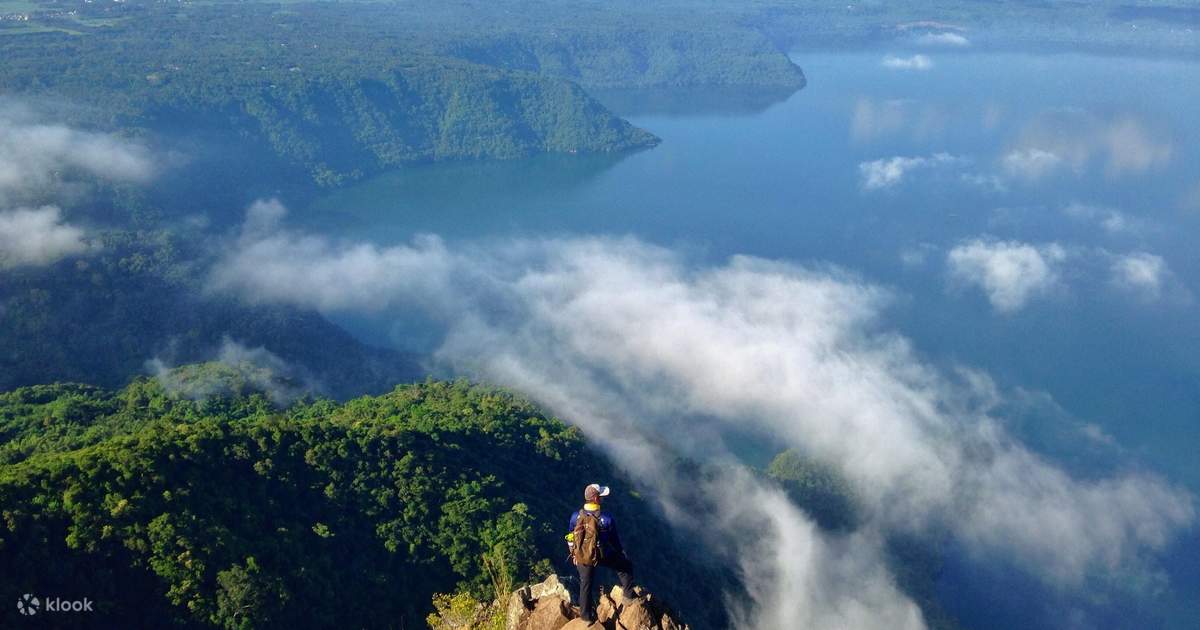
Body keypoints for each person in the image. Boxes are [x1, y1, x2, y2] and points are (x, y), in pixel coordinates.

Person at [566, 483, 636, 623]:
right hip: (601, 555)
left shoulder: (575, 516)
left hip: (582, 557)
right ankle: (628, 597)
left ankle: (586, 617)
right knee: (625, 565)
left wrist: (574, 554)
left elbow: (570, 536)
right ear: (596, 499)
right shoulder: (606, 519)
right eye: (601, 496)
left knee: (585, 585)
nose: (603, 498)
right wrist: (621, 553)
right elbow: (615, 542)